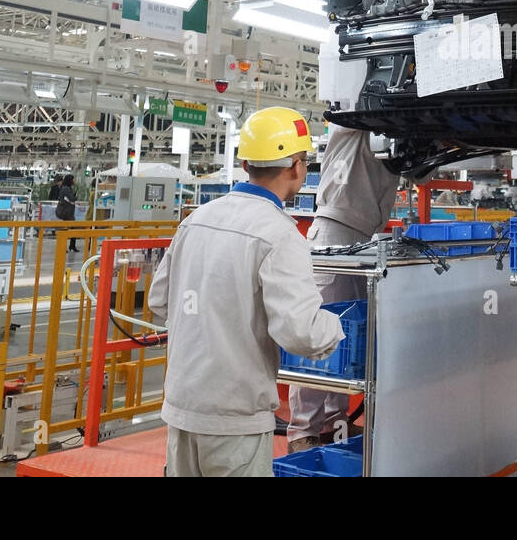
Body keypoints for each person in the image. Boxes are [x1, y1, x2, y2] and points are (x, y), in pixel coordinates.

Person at [147, 107, 344, 477]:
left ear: (247, 163)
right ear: (296, 166)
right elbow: (301, 332)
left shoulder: (196, 219)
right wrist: (339, 328)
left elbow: (159, 300)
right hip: (234, 420)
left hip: (181, 408)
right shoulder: (280, 234)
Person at [286, 126, 402, 454]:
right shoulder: (353, 117)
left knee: (347, 338)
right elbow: (354, 108)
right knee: (317, 337)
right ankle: (302, 431)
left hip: (368, 239)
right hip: (334, 232)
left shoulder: (400, 137)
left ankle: (333, 423)